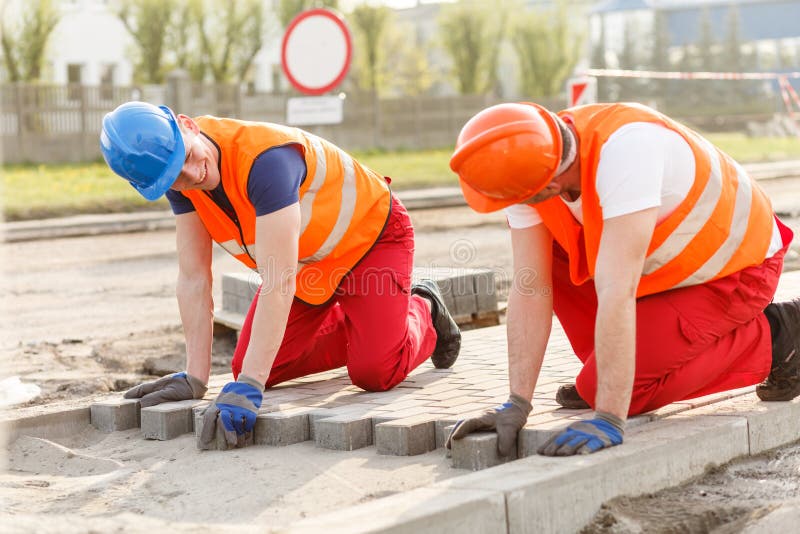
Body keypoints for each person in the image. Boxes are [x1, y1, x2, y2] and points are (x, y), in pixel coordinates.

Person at [100, 101, 461, 449]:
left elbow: (278, 281)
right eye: (176, 177)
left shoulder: (265, 161)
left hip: (371, 239)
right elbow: (194, 278)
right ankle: (372, 324)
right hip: (308, 263)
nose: (192, 175)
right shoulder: (183, 185)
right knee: (254, 366)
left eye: (188, 158)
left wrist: (249, 386)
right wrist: (196, 377)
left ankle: (423, 307)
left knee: (374, 372)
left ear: (188, 125)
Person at [446, 101, 798, 457]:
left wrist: (610, 415)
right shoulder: (532, 163)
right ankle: (610, 379)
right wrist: (516, 402)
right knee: (552, 261)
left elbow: (618, 289)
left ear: (548, 180)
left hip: (736, 268)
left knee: (610, 388)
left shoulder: (626, 152)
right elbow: (530, 285)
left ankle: (781, 335)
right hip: (664, 272)